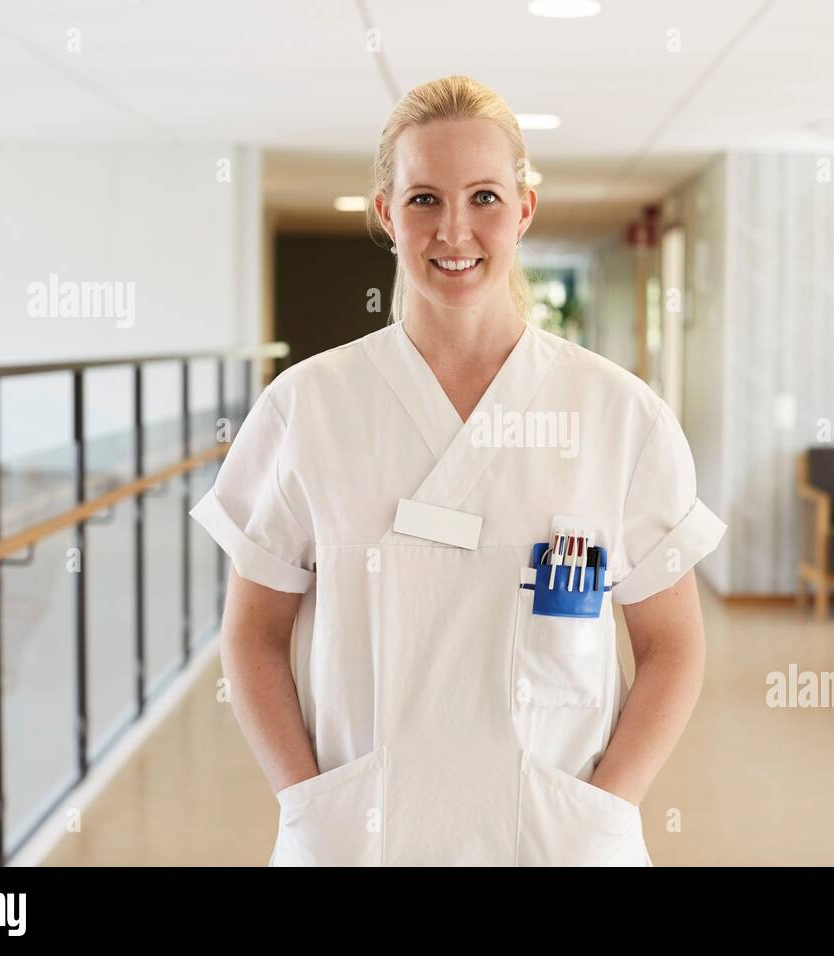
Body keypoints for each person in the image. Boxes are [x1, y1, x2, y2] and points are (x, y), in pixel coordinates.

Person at [189, 74, 726, 866]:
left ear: (523, 209)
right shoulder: (308, 407)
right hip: (360, 838)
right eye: (423, 200)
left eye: (483, 197)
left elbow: (674, 646)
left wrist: (604, 811)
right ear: (385, 213)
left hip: (554, 840)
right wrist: (309, 805)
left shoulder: (619, 415)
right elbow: (254, 636)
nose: (454, 231)